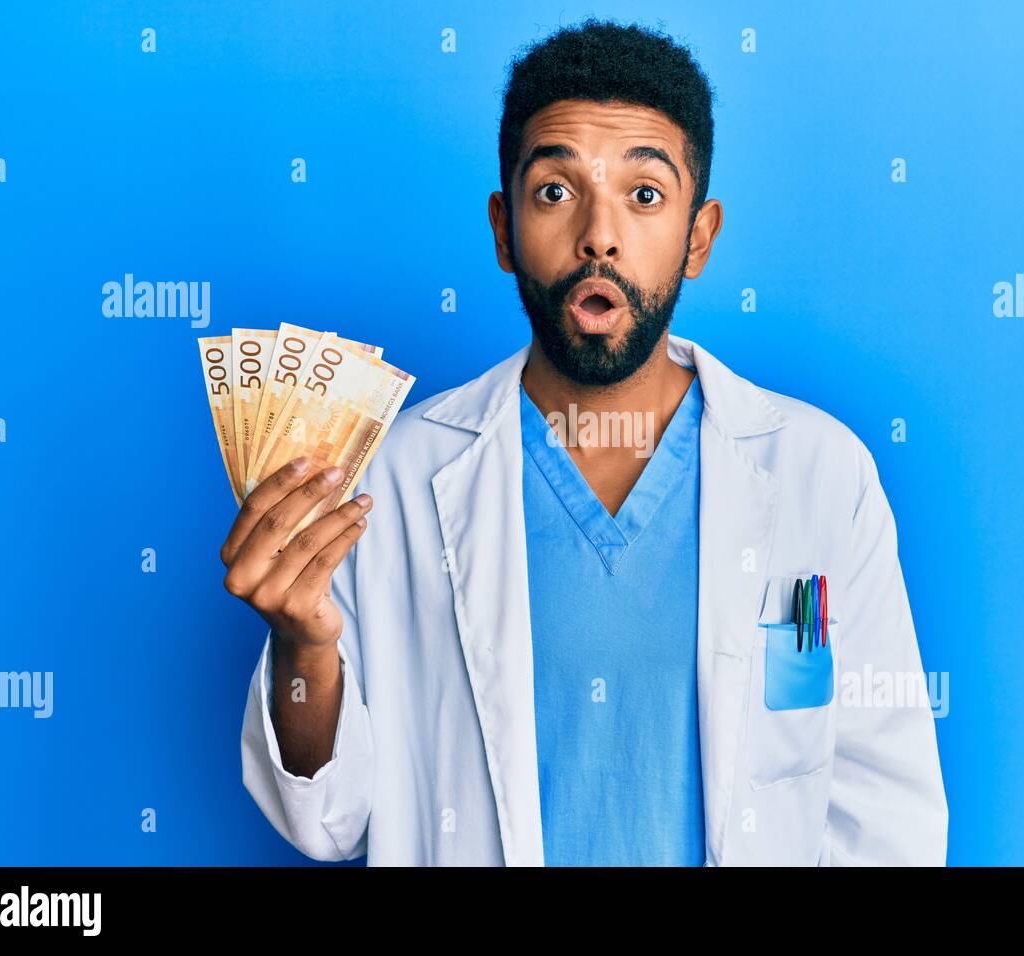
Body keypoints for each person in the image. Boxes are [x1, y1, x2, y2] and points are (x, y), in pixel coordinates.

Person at [221, 18, 947, 866]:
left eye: (644, 195)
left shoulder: (821, 476)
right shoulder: (395, 477)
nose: (599, 235)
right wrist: (302, 645)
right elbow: (325, 821)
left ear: (699, 237)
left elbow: (883, 814)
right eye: (556, 191)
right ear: (502, 229)